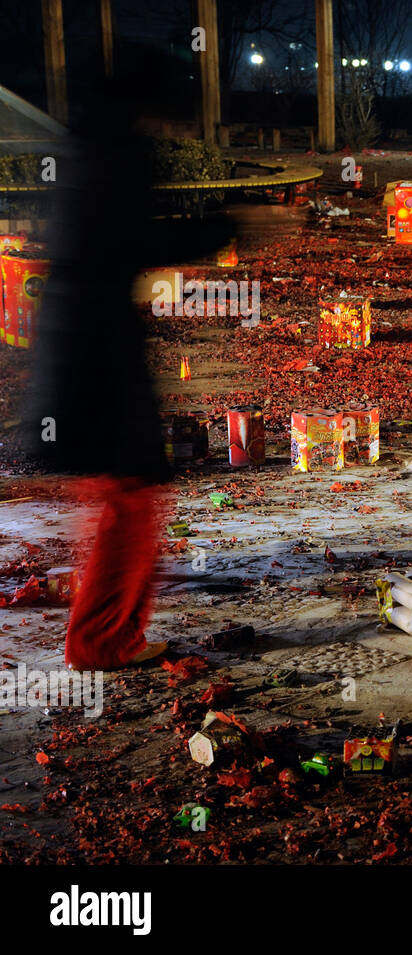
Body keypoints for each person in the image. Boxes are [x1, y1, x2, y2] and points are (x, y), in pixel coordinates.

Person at [25, 47, 234, 671]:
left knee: (127, 493)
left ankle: (108, 636)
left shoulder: (89, 144)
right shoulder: (112, 154)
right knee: (129, 496)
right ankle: (101, 642)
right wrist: (221, 228)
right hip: (94, 351)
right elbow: (127, 238)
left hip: (87, 341)